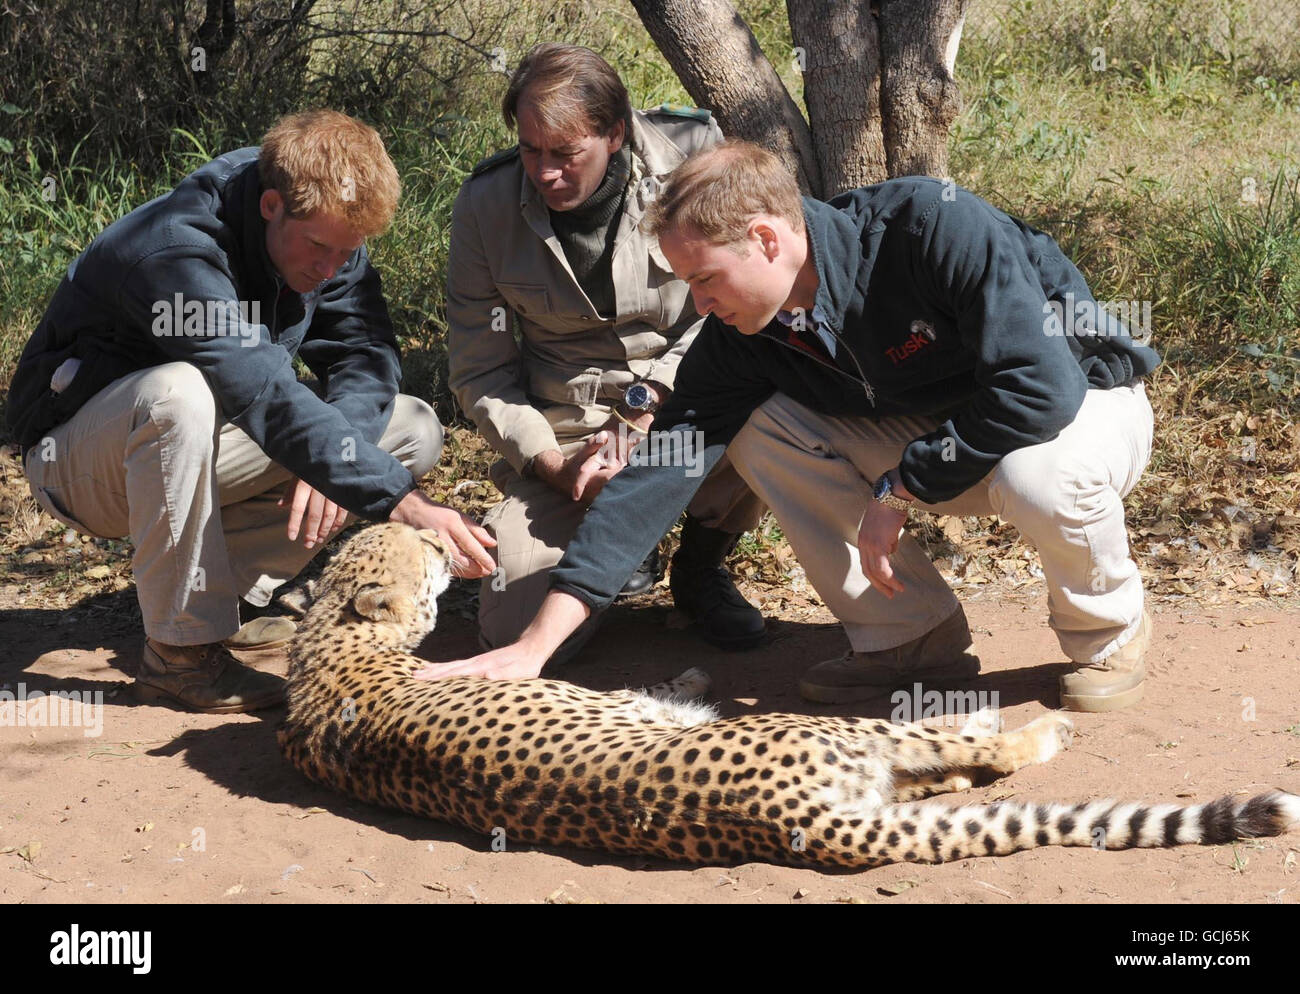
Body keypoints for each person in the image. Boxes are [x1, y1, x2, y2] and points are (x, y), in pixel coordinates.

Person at [420, 140, 1160, 715]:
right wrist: (535, 644)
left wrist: (903, 485)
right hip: (947, 435)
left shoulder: (932, 226)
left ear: (767, 240)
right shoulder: (747, 334)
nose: (700, 306)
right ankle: (909, 639)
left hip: (1082, 406)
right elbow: (660, 470)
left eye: (706, 281)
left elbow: (1042, 386)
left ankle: (1106, 638)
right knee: (758, 424)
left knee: (1040, 473)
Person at [7, 109, 495, 714]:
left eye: (349, 253)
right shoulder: (176, 250)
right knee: (177, 392)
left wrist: (343, 458)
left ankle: (225, 599)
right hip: (78, 463)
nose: (330, 269)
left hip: (195, 445)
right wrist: (398, 498)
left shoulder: (328, 235)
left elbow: (364, 353)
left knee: (409, 426)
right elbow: (263, 392)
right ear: (271, 205)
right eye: (319, 248)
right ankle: (180, 659)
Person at [446, 44, 766, 661]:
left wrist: (650, 407)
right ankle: (613, 552)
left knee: (770, 405)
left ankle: (701, 567)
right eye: (530, 150)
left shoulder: (695, 160)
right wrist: (550, 465)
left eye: (566, 154)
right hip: (567, 430)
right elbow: (479, 369)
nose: (543, 173)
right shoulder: (484, 206)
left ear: (615, 133)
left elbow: (742, 312)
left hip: (693, 396)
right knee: (517, 635)